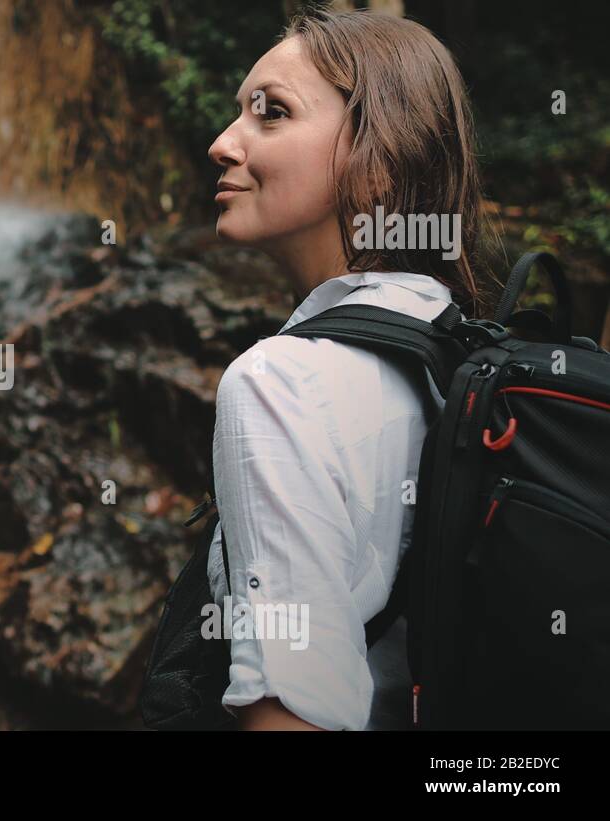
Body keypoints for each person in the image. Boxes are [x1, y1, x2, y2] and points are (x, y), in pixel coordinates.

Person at [203, 8, 501, 730]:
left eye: (270, 113)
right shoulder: (465, 356)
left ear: (378, 156)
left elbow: (294, 713)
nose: (220, 144)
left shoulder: (280, 383)